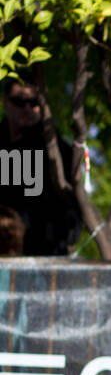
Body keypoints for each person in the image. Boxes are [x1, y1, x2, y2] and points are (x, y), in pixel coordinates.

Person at [0, 80, 81, 254]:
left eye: (34, 102)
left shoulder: (57, 151)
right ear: (5, 102)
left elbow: (71, 209)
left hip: (43, 253)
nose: (27, 109)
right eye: (19, 102)